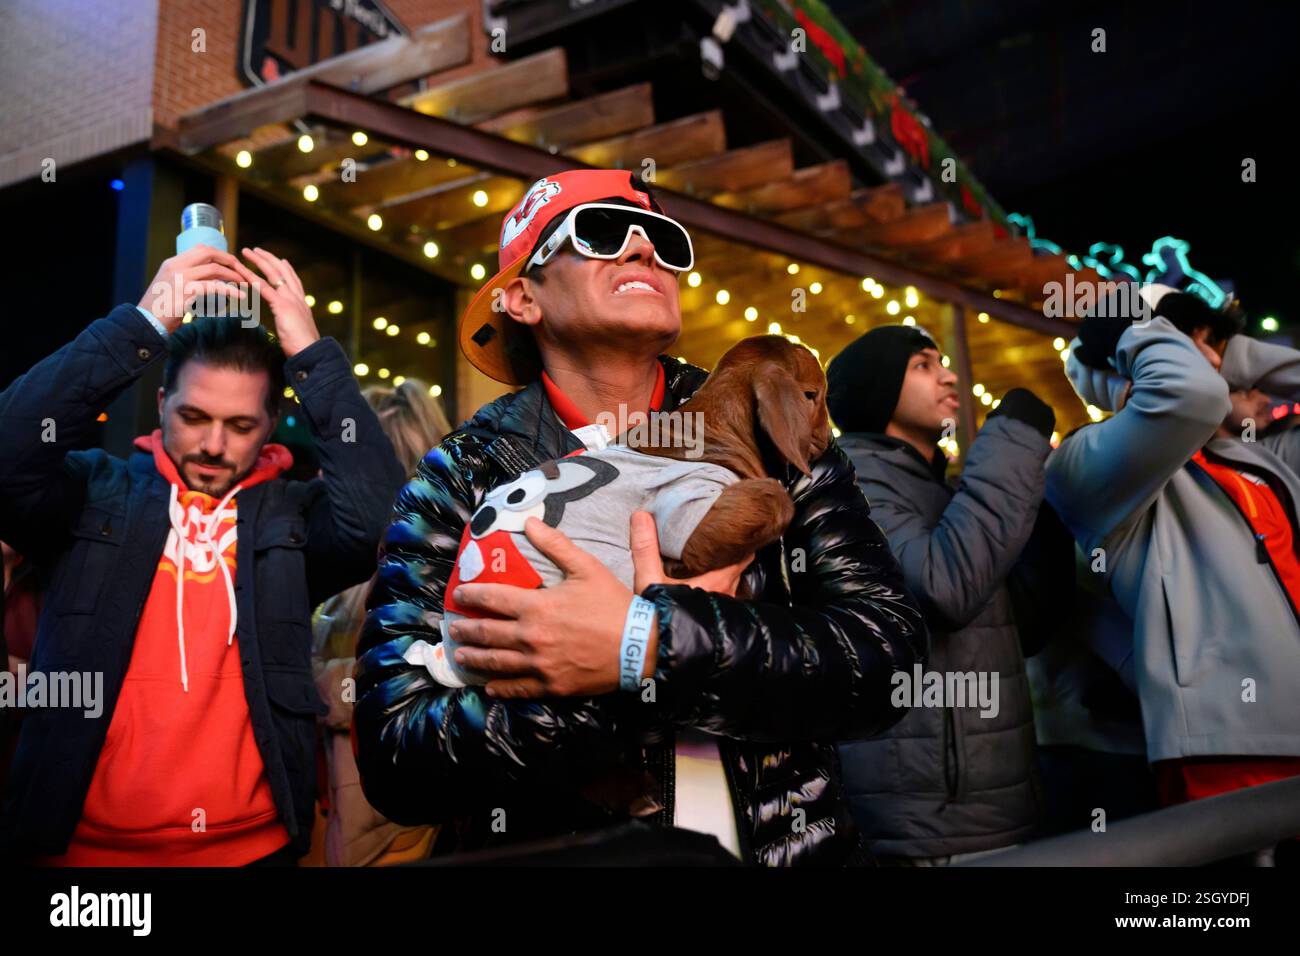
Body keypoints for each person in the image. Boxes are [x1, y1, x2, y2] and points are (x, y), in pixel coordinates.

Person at [353, 169, 926, 866]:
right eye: (598, 232)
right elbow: (396, 757)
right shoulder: (460, 474)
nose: (643, 248)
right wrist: (602, 679)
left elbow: (888, 658)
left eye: (663, 239)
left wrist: (658, 642)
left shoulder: (770, 425)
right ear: (522, 298)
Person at [0, 244, 405, 864]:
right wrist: (142, 324)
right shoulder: (93, 494)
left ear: (270, 423)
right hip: (83, 855)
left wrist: (311, 354)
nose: (213, 445)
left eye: (240, 426)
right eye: (193, 416)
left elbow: (380, 521)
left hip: (255, 851)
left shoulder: (290, 520)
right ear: (162, 402)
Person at [1046, 286, 1300, 821]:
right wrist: (1129, 332)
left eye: (1217, 348)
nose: (1215, 362)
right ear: (1134, 353)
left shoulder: (1252, 458)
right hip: (1226, 745)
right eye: (1193, 343)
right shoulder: (1085, 461)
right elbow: (1190, 394)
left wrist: (1234, 353)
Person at [827, 324, 1058, 864]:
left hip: (989, 804)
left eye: (943, 362)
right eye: (923, 366)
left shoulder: (935, 485)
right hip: (930, 818)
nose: (949, 377)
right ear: (878, 388)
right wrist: (1012, 442)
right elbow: (943, 590)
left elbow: (1016, 625)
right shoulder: (854, 481)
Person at [308, 378, 450, 867]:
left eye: (340, 462)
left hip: (385, 822)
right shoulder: (359, 556)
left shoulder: (415, 567)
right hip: (351, 811)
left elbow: (422, 677)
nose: (326, 474)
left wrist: (308, 683)